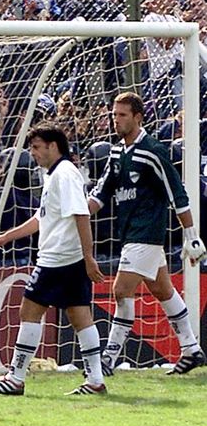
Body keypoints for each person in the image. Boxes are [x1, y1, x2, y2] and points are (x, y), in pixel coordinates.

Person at [0, 122, 107, 396]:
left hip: (58, 258)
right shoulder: (54, 175)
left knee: (30, 311)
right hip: (64, 257)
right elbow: (42, 217)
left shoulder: (65, 174)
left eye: (36, 147)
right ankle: (95, 380)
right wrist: (4, 237)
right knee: (79, 316)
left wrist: (89, 257)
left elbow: (81, 214)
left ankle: (16, 377)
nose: (33, 153)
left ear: (53, 146)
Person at [88, 92, 207, 375]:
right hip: (129, 234)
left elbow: (176, 192)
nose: (116, 120)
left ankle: (107, 360)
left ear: (138, 117)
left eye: (122, 115)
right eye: (114, 115)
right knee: (162, 290)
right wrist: (74, 213)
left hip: (146, 233)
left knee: (120, 291)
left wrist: (191, 235)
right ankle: (192, 350)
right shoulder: (117, 152)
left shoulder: (152, 151)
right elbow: (101, 193)